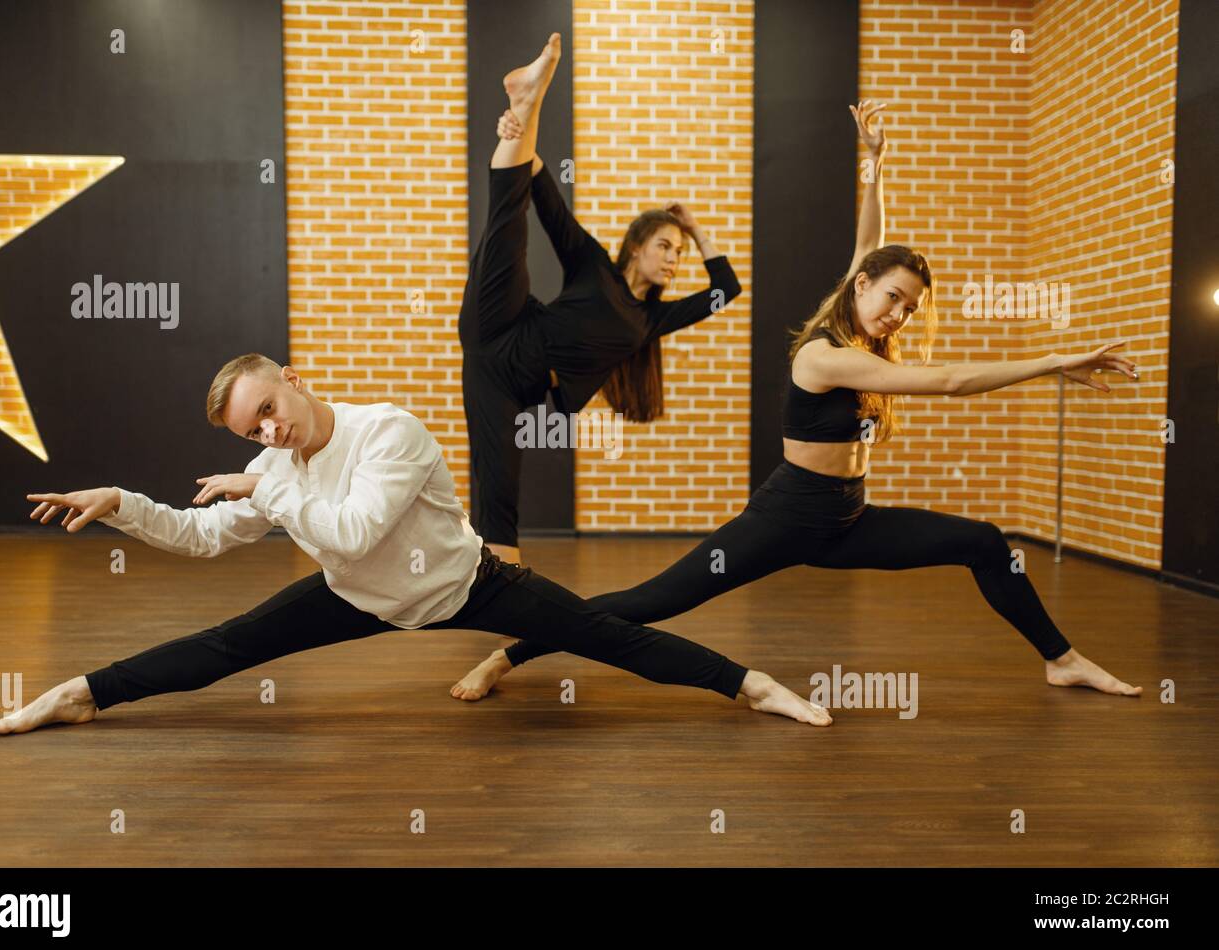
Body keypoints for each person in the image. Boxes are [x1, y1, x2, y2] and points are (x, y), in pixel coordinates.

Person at [453, 100, 1142, 702]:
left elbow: (870, 242)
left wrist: (874, 165)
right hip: (786, 517)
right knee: (651, 600)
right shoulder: (824, 354)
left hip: (848, 518)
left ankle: (1062, 659)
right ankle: (508, 653)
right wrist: (1054, 360)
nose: (898, 314)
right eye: (891, 297)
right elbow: (948, 381)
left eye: (909, 305)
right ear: (862, 287)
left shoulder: (861, 319)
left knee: (987, 543)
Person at [0, 354, 835, 736]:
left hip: (466, 586)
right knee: (223, 645)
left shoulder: (388, 431)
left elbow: (355, 527)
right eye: (255, 430)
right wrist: (124, 503)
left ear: (292, 376)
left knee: (609, 637)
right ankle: (84, 695)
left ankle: (755, 688)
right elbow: (203, 537)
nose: (272, 431)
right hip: (359, 596)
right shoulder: (275, 467)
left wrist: (270, 485)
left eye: (270, 409)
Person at [461, 32, 741, 565]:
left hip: (505, 384)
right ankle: (527, 98)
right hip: (503, 323)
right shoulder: (594, 265)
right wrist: (517, 135)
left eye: (679, 253)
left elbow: (726, 291)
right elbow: (547, 199)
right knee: (507, 223)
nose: (674, 260)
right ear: (635, 247)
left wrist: (697, 231)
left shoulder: (650, 320)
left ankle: (503, 597)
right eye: (665, 245)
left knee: (499, 498)